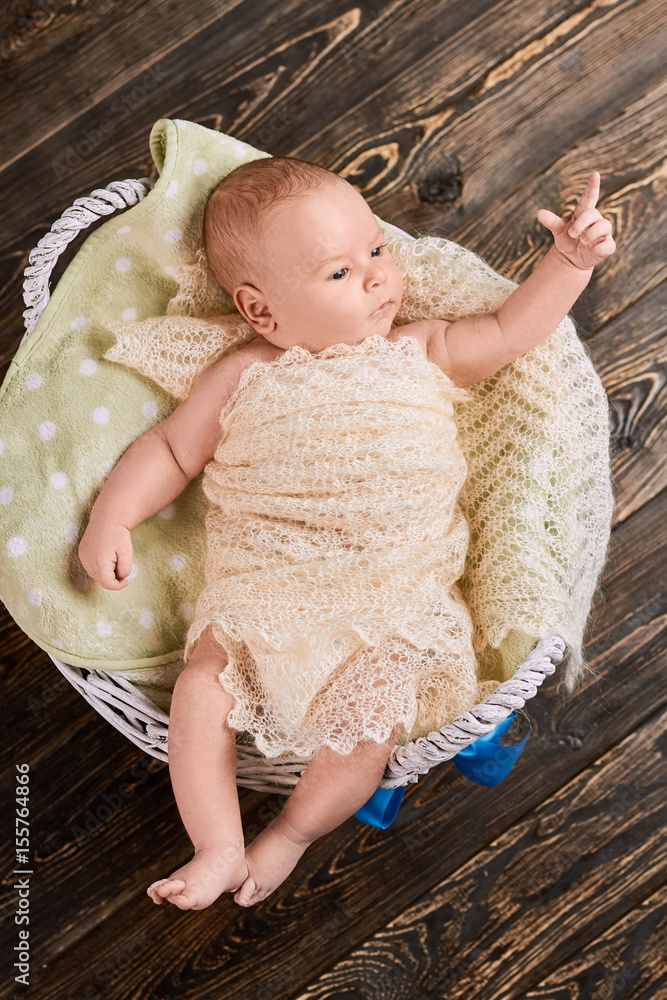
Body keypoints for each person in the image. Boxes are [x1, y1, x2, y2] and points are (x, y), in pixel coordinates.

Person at [78, 157, 615, 910]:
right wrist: (114, 515)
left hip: (393, 596)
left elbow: (509, 330)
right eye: (339, 272)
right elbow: (170, 449)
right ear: (261, 312)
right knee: (201, 694)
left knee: (368, 734)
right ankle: (217, 843)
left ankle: (292, 835)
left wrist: (567, 263)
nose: (375, 277)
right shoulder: (242, 372)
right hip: (270, 584)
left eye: (376, 249)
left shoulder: (419, 348)